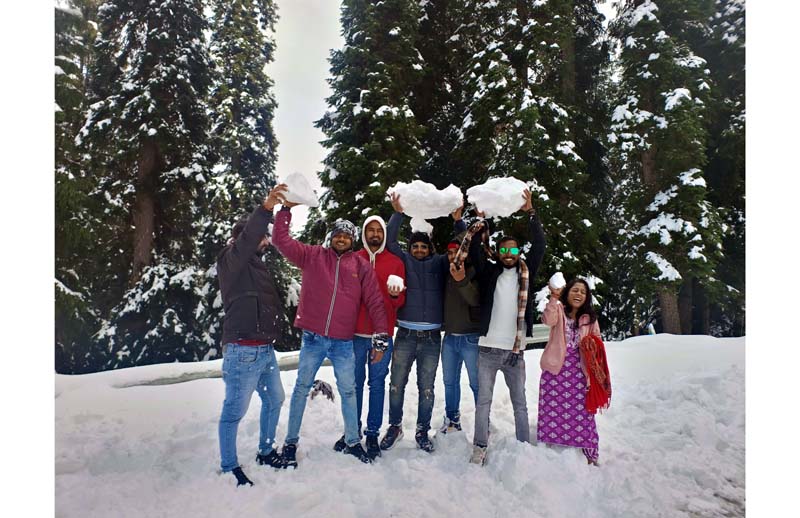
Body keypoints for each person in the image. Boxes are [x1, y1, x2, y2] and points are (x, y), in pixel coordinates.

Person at [271, 197, 391, 468]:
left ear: (352, 241)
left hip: (342, 341)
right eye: (338, 234)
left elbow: (374, 302)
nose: (342, 239)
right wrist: (286, 210)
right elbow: (281, 240)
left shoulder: (360, 266)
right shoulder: (312, 256)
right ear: (330, 237)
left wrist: (381, 336)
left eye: (347, 236)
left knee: (349, 391)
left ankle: (352, 441)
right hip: (313, 338)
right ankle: (290, 442)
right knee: (301, 388)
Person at [379, 195, 466, 453]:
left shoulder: (440, 264)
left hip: (430, 339)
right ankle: (394, 426)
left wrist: (458, 222)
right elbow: (390, 241)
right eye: (415, 246)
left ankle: (422, 430)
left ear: (430, 249)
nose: (419, 250)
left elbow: (461, 248)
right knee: (396, 385)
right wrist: (397, 214)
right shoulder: (404, 260)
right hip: (405, 334)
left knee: (426, 388)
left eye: (423, 247)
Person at [216, 185, 288, 486]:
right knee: (234, 410)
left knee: (275, 399)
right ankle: (229, 465)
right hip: (242, 350)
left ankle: (265, 450)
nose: (267, 242)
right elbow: (247, 241)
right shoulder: (231, 260)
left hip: (264, 350)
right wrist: (266, 208)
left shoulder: (256, 266)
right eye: (263, 236)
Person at [467, 189, 545, 465]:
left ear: (517, 252)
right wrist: (479, 223)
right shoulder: (490, 272)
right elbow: (475, 253)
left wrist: (531, 213)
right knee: (483, 403)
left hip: (515, 351)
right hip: (487, 349)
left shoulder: (527, 272)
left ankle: (523, 446)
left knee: (520, 403)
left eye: (513, 249)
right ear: (499, 253)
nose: (508, 253)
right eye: (504, 249)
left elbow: (540, 245)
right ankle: (480, 445)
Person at [332, 215, 406, 460]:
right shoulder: (353, 259)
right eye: (370, 230)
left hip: (381, 335)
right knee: (353, 386)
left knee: (376, 385)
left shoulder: (395, 262)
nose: (375, 234)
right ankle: (352, 431)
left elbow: (401, 302)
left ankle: (372, 432)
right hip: (353, 335)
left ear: (384, 234)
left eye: (379, 230)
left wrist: (395, 296)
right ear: (364, 234)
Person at [537, 278, 603, 465]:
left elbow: (597, 339)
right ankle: (548, 445)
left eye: (583, 292)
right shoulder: (558, 309)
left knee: (584, 410)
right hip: (555, 369)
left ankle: (588, 449)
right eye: (575, 290)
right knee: (551, 407)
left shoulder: (589, 319)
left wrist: (591, 343)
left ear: (587, 297)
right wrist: (553, 298)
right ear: (568, 293)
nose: (578, 294)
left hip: (580, 372)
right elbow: (548, 320)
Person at [437, 235, 481, 434]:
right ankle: (452, 418)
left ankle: (483, 419)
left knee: (476, 382)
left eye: (457, 252)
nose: (453, 256)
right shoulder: (445, 274)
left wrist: (461, 279)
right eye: (450, 253)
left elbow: (475, 300)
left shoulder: (474, 272)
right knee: (449, 381)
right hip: (449, 338)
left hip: (470, 338)